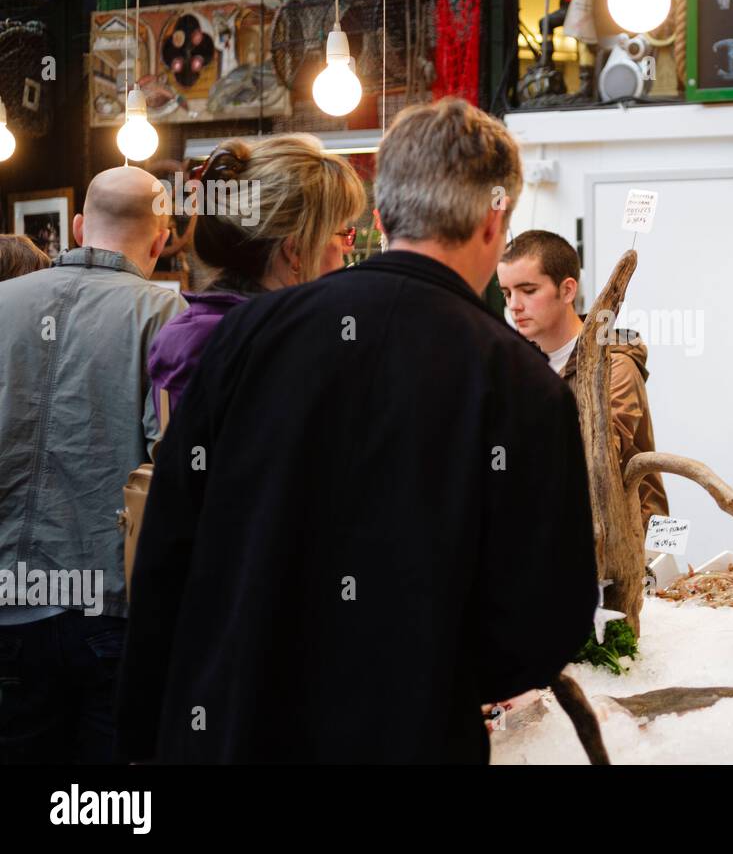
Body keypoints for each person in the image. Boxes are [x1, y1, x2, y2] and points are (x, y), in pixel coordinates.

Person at [116, 98, 598, 763]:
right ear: (496, 221)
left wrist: (147, 728)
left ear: (380, 217)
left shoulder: (250, 336)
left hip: (233, 728)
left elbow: (169, 546)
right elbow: (549, 617)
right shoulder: (524, 386)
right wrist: (437, 680)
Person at [0, 166, 185, 763]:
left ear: (78, 227)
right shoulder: (163, 312)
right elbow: (175, 462)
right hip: (107, 605)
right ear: (160, 241)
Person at [148, 135, 365, 413]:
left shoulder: (185, 334)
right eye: (345, 234)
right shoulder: (289, 352)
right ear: (296, 251)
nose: (348, 249)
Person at [498, 230, 669, 532]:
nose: (515, 305)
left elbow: (597, 454)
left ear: (567, 290)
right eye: (507, 293)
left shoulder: (614, 363)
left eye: (528, 290)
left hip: (615, 542)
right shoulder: (518, 363)